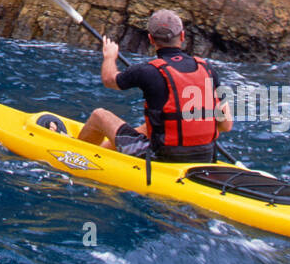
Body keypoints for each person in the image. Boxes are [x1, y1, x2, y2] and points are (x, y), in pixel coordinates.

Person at [76, 9, 232, 162]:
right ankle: (103, 151)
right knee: (149, 126)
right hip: (204, 156)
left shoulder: (147, 71)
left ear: (150, 39)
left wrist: (110, 56)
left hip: (161, 157)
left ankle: (76, 158)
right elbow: (226, 126)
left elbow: (109, 80)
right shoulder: (207, 69)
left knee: (99, 115)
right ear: (182, 36)